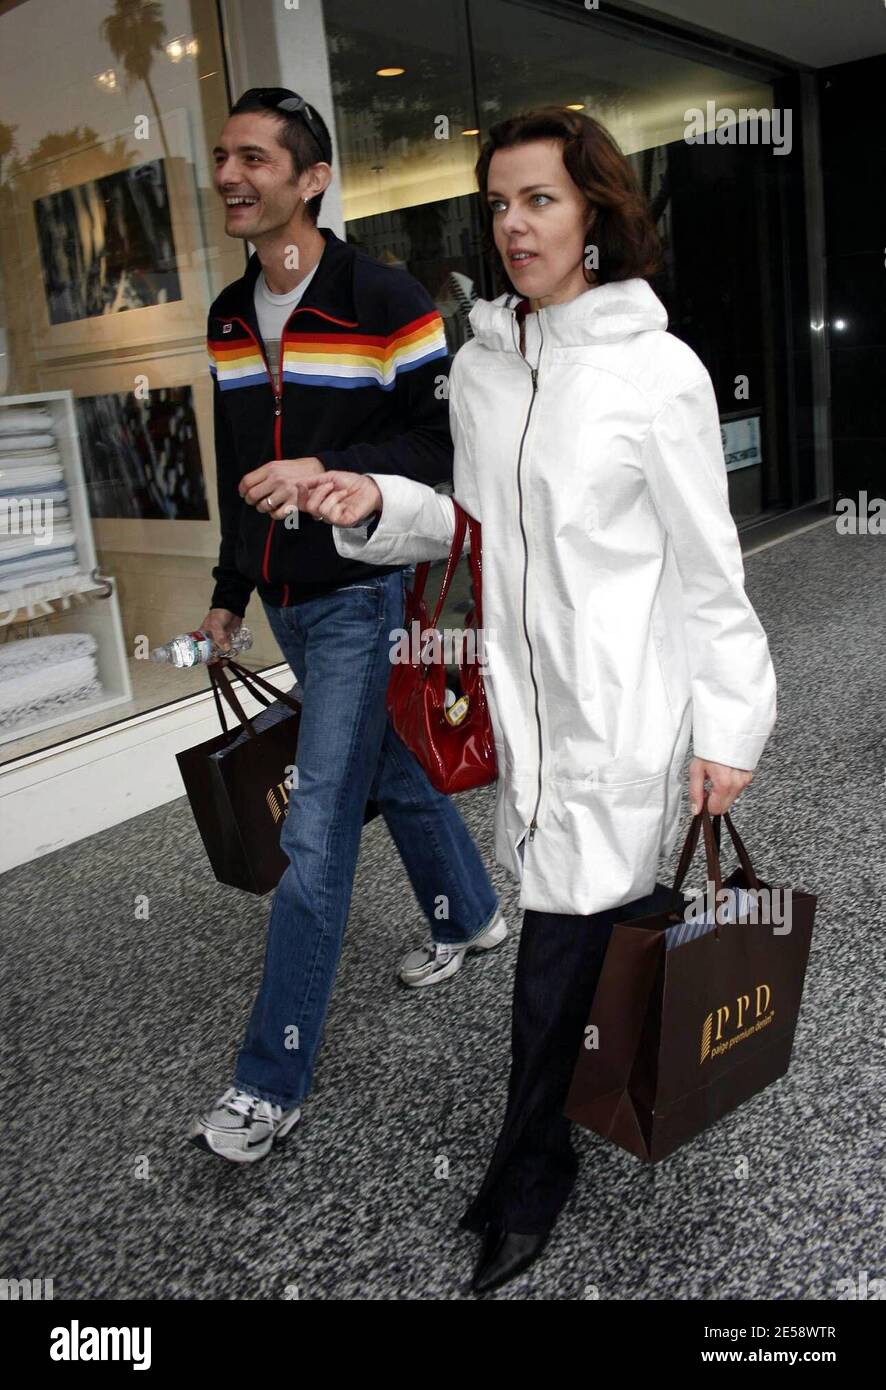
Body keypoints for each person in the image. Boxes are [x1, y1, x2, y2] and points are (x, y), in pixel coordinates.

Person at [300, 106, 778, 1293]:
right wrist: (373, 503)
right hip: (524, 711)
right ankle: (617, 1085)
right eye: (499, 202)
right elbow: (468, 521)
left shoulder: (653, 372)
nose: (514, 226)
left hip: (623, 710)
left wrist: (727, 725)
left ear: (596, 215)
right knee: (603, 936)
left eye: (541, 201)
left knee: (555, 956)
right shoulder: (480, 366)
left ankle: (526, 1174)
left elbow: (710, 569)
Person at [188, 88, 505, 1166]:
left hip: (366, 587)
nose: (230, 176)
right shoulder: (232, 315)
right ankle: (468, 913)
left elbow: (443, 440)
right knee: (384, 762)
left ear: (311, 179)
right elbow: (242, 471)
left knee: (314, 829)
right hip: (285, 593)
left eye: (255, 160)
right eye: (222, 157)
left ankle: (265, 1084)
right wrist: (233, 587)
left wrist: (334, 469)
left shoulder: (386, 297)